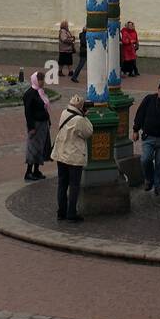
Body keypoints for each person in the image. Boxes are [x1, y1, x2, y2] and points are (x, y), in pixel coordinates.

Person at [51, 93, 93, 222]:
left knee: (62, 184)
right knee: (74, 185)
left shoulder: (64, 113)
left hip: (61, 155)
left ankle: (61, 212)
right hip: (74, 158)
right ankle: (71, 213)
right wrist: (85, 117)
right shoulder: (79, 120)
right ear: (80, 107)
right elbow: (89, 132)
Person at [23, 70, 52, 180]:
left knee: (41, 148)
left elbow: (45, 109)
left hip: (43, 124)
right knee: (33, 148)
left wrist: (48, 121)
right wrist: (31, 127)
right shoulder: (30, 94)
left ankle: (36, 170)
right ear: (35, 80)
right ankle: (28, 172)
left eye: (43, 79)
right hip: (35, 125)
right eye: (40, 80)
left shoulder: (41, 92)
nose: (42, 82)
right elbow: (28, 113)